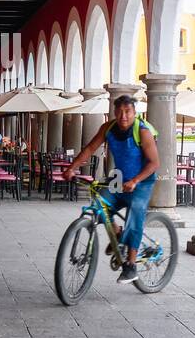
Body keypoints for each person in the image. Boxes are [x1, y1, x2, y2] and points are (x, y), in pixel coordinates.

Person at [63, 94, 160, 284]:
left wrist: (135, 181)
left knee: (135, 216)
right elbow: (90, 149)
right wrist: (72, 167)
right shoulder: (108, 128)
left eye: (128, 112)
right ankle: (118, 235)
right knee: (100, 204)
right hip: (120, 180)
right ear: (114, 112)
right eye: (120, 112)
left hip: (142, 182)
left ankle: (131, 265)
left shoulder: (142, 131)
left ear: (134, 113)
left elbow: (154, 163)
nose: (124, 116)